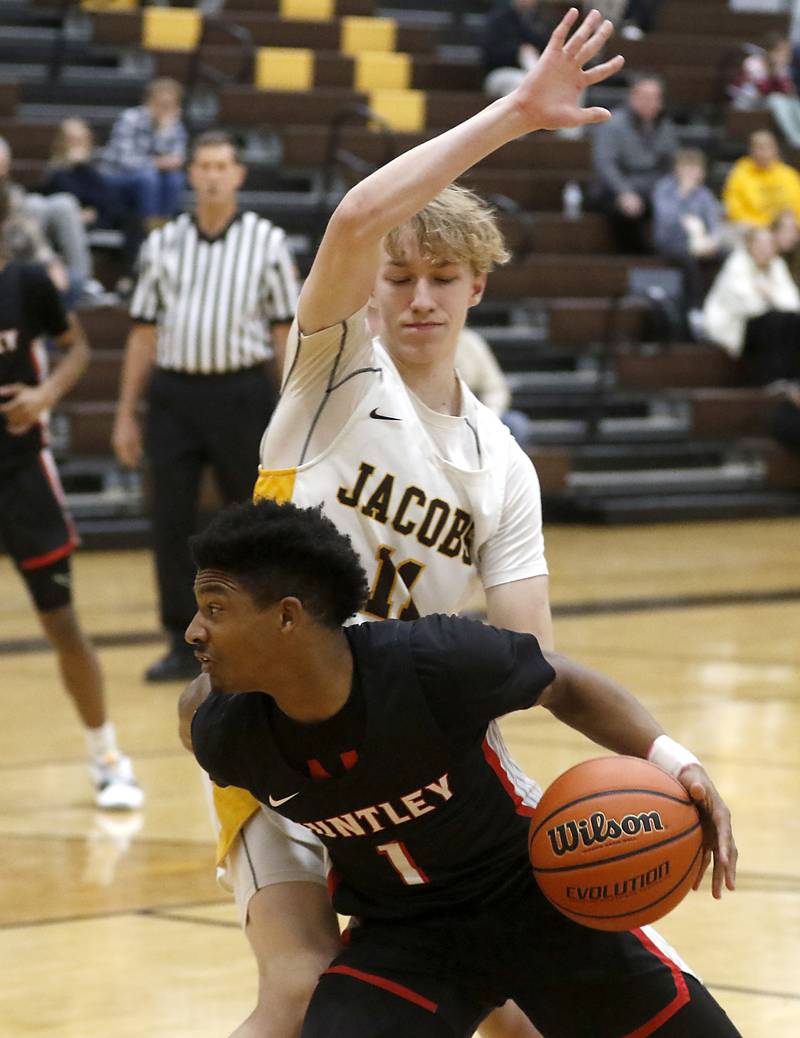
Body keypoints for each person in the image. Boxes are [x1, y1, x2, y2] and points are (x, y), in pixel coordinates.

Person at [187, 13, 646, 1038]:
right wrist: (518, 115)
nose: (420, 298)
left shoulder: (503, 467)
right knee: (302, 984)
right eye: (399, 279)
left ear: (478, 286)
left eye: (442, 279)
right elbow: (354, 216)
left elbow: (523, 653)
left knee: (524, 1003)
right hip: (280, 729)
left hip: (414, 752)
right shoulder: (334, 378)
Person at [181, 496, 741, 1038]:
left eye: (215, 609)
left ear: (287, 617)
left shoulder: (430, 662)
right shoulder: (229, 736)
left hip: (535, 898)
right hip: (404, 938)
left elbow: (562, 680)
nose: (192, 632)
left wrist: (678, 763)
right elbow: (193, 714)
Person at [112, 130, 298, 683]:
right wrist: (126, 411)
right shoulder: (162, 244)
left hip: (243, 392)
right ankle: (180, 639)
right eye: (204, 165)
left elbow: (283, 332)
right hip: (174, 395)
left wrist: (295, 405)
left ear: (238, 174)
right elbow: (142, 333)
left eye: (223, 165)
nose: (213, 174)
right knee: (169, 519)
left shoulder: (266, 240)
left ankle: (259, 633)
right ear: (190, 174)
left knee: (253, 521)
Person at [0, 183, 143, 810]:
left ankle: (107, 756)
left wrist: (45, 396)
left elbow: (77, 348)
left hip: (23, 475)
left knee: (63, 624)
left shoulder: (27, 281)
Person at [40, 118, 143, 279]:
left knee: (133, 216)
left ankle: (128, 279)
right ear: (62, 143)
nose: (79, 145)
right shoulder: (56, 172)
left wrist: (95, 209)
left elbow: (107, 200)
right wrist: (74, 166)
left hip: (98, 218)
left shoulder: (93, 171)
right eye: (74, 140)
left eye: (83, 139)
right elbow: (69, 196)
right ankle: (82, 277)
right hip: (70, 221)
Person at [0, 135, 95, 304]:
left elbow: (31, 237)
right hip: (9, 268)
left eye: (4, 167)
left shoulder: (11, 195)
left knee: (72, 281)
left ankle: (84, 282)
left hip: (16, 265)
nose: (2, 172)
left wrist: (51, 264)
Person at [590, 73, 678, 253]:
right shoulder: (613, 124)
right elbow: (605, 164)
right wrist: (624, 192)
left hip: (653, 187)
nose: (650, 102)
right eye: (645, 97)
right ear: (633, 98)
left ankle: (667, 254)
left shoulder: (666, 127)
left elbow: (670, 163)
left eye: (655, 98)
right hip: (617, 187)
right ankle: (634, 258)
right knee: (625, 210)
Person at [702, 225, 800, 379]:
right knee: (771, 322)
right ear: (750, 245)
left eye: (769, 245)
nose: (765, 249)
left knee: (791, 322)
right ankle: (766, 380)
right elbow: (748, 307)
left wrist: (770, 294)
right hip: (736, 325)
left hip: (772, 322)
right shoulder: (737, 263)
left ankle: (791, 379)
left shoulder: (777, 265)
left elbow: (793, 304)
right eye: (760, 245)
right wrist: (771, 300)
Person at [651, 148, 724, 331]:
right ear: (677, 169)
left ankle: (719, 307)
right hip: (671, 242)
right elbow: (665, 219)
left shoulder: (704, 194)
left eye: (695, 169)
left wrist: (713, 241)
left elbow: (714, 224)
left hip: (700, 244)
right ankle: (694, 309)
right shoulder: (664, 188)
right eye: (687, 168)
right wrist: (683, 193)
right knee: (689, 260)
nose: (691, 173)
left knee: (724, 256)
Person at [101, 78, 188, 228]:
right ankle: (149, 228)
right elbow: (125, 161)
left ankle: (167, 227)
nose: (164, 109)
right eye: (161, 104)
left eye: (170, 105)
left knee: (175, 179)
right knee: (149, 177)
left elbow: (177, 160)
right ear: (148, 102)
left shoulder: (175, 125)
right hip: (116, 175)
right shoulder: (129, 118)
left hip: (153, 177)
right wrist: (157, 163)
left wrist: (163, 131)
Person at [722, 129, 800, 230]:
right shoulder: (740, 174)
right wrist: (762, 225)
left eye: (768, 146)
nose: (764, 151)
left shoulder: (788, 174)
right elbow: (734, 211)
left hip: (786, 228)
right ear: (751, 150)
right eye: (759, 147)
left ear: (776, 149)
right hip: (753, 228)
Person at [482, 0, 555, 99]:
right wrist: (518, 51)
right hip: (501, 72)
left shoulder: (541, 19)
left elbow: (548, 48)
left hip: (536, 72)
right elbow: (490, 53)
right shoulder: (499, 16)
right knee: (523, 84)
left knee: (563, 85)